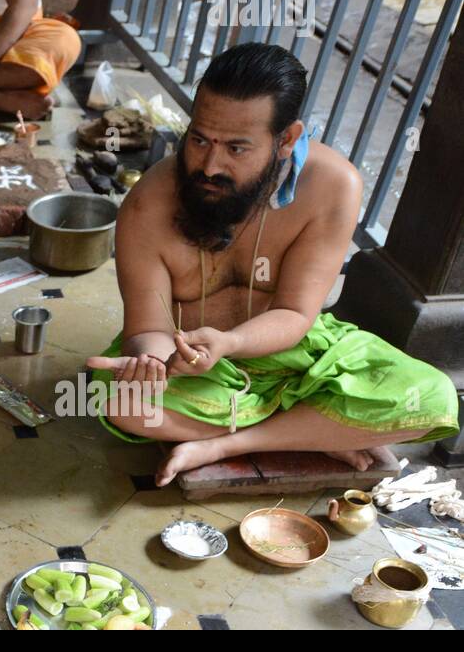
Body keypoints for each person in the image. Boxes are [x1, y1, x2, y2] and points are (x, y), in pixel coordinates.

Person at [87, 43, 459, 487]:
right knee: (124, 402)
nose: (209, 165)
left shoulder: (332, 186)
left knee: (433, 397)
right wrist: (152, 359)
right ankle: (310, 431)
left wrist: (228, 342)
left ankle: (228, 442)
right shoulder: (148, 204)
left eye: (237, 149)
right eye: (200, 139)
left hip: (296, 353)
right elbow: (149, 327)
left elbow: (297, 314)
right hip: (189, 363)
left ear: (286, 139)